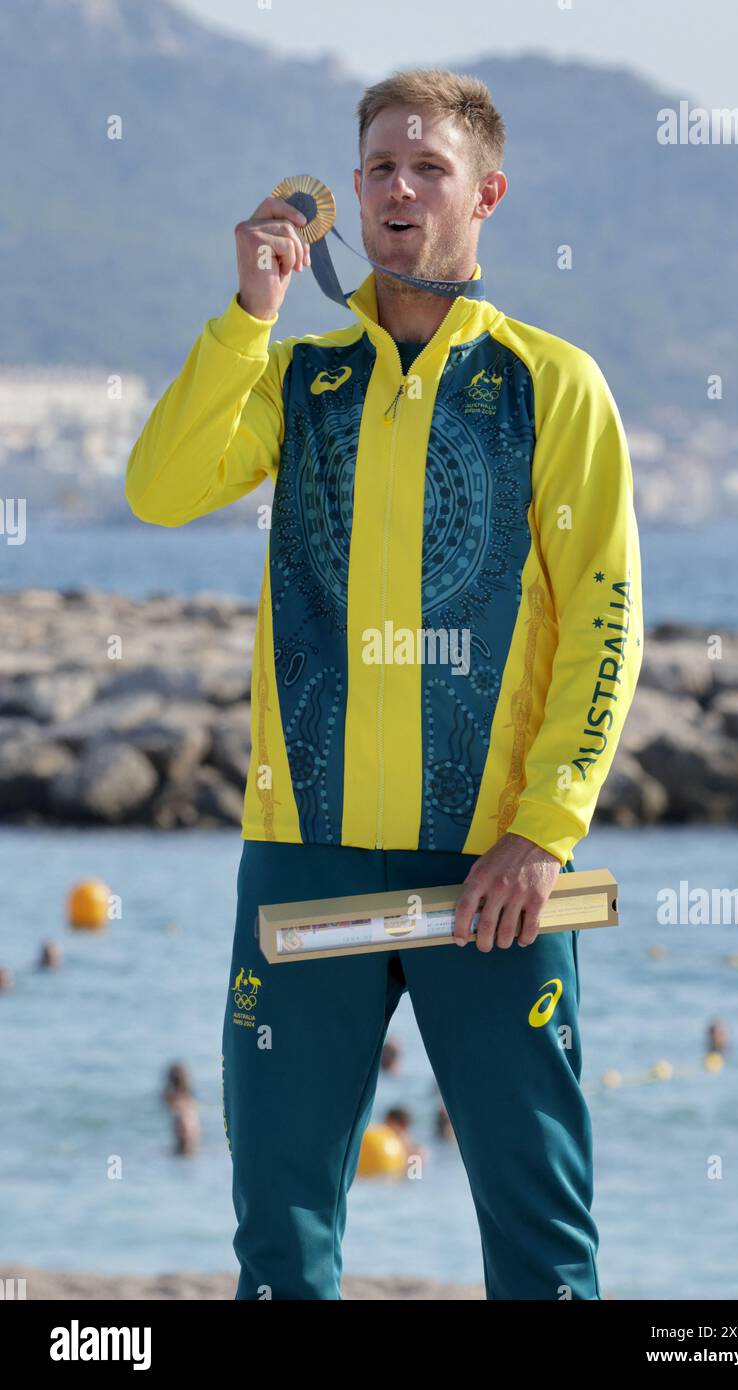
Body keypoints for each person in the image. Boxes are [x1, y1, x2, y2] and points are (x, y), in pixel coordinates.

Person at [126, 67, 643, 1300]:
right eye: (379, 167)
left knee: (542, 1243)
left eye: (429, 167)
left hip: (493, 875)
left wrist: (543, 832)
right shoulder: (300, 382)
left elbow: (604, 621)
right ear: (348, 192)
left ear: (488, 194)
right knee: (280, 1239)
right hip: (300, 853)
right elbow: (159, 488)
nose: (400, 188)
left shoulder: (550, 384)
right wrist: (249, 315)